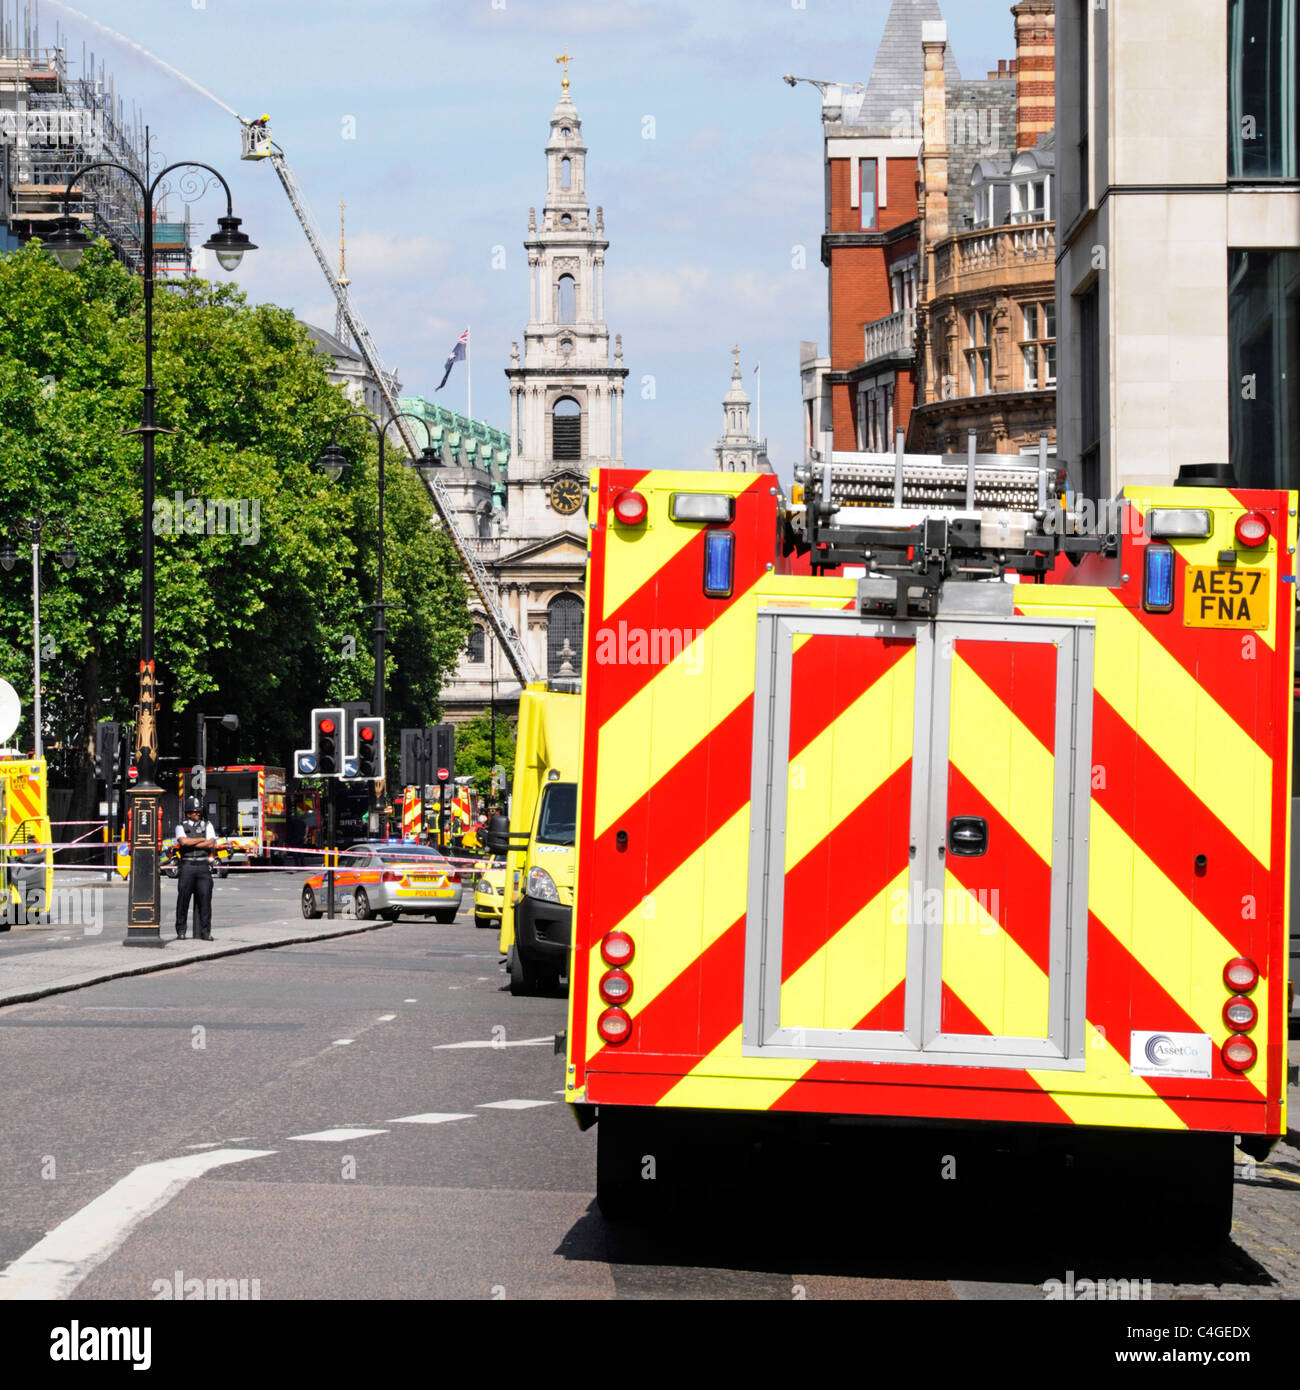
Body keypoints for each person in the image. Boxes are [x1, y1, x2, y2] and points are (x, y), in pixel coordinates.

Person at [174, 795, 218, 941]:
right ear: (188, 813)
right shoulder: (180, 825)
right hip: (187, 866)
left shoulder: (207, 824)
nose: (197, 814)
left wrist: (191, 842)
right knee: (183, 900)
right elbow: (183, 841)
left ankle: (205, 932)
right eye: (194, 812)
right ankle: (181, 930)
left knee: (205, 899)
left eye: (198, 811)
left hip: (203, 866)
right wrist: (200, 839)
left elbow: (211, 843)